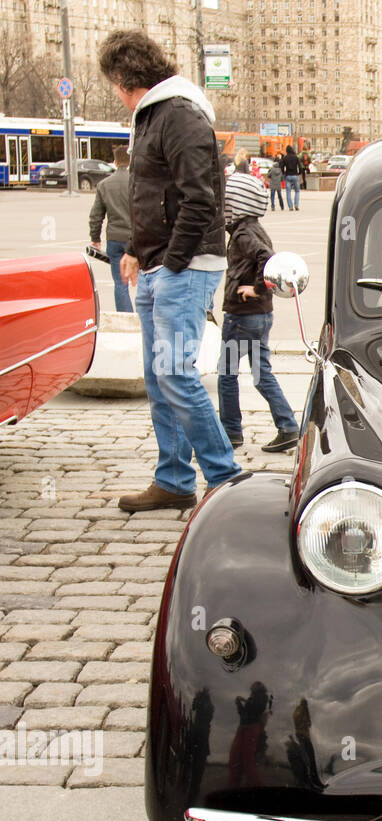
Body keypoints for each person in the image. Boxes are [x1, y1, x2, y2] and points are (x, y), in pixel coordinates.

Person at [99, 30, 239, 513]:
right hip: (161, 263)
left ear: (121, 78)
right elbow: (153, 195)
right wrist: (138, 249)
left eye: (112, 83)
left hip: (185, 265)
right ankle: (174, 479)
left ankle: (226, 480)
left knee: (175, 374)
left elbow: (201, 200)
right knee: (159, 377)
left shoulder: (178, 114)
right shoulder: (154, 115)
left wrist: (173, 262)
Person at [218, 159, 299, 454]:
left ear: (236, 204)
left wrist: (255, 287)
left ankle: (231, 432)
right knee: (260, 372)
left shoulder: (242, 233)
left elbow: (267, 258)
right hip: (259, 315)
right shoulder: (254, 228)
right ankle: (288, 425)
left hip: (242, 315)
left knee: (227, 373)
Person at [88, 145, 133, 312]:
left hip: (115, 240)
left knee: (120, 284)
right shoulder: (138, 182)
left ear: (114, 162)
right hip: (136, 240)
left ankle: (126, 318)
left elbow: (96, 215)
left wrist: (95, 238)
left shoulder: (104, 185)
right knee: (145, 283)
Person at [281, 145, 303, 210]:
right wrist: (299, 173)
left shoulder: (285, 158)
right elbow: (300, 166)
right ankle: (296, 204)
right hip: (295, 175)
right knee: (297, 191)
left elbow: (281, 166)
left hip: (288, 175)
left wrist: (283, 173)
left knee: (288, 192)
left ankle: (290, 207)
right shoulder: (296, 157)